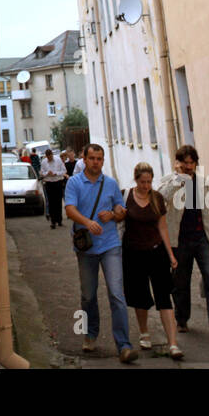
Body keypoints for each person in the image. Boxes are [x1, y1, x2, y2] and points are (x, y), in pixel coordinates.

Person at [64, 144, 138, 363]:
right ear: (84, 160)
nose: (96, 162)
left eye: (99, 158)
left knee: (117, 294)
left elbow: (121, 210)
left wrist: (115, 215)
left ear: (103, 161)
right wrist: (88, 222)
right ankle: (89, 333)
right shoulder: (74, 183)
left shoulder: (111, 183)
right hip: (86, 247)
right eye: (92, 158)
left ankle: (124, 345)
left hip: (110, 245)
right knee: (88, 295)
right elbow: (70, 209)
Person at [157, 145, 209, 345]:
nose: (189, 167)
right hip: (180, 239)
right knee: (180, 282)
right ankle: (181, 318)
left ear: (196, 163)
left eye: (192, 163)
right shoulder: (170, 181)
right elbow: (161, 198)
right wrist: (179, 179)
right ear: (178, 163)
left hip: (203, 239)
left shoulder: (204, 184)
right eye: (185, 163)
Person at [122, 163, 183, 360]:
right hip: (133, 254)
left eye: (149, 182)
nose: (146, 186)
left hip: (157, 253)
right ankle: (144, 331)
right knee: (140, 297)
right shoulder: (126, 196)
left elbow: (162, 227)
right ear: (136, 179)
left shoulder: (157, 198)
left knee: (164, 297)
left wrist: (171, 254)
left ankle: (173, 343)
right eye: (142, 182)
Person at [38, 149, 68, 228]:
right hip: (49, 183)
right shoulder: (44, 162)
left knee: (58, 202)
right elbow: (41, 172)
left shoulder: (58, 160)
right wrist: (47, 173)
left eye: (50, 157)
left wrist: (56, 173)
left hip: (57, 182)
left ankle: (59, 220)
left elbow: (64, 170)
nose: (49, 159)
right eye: (48, 157)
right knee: (51, 203)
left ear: (52, 155)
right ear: (46, 156)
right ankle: (53, 221)